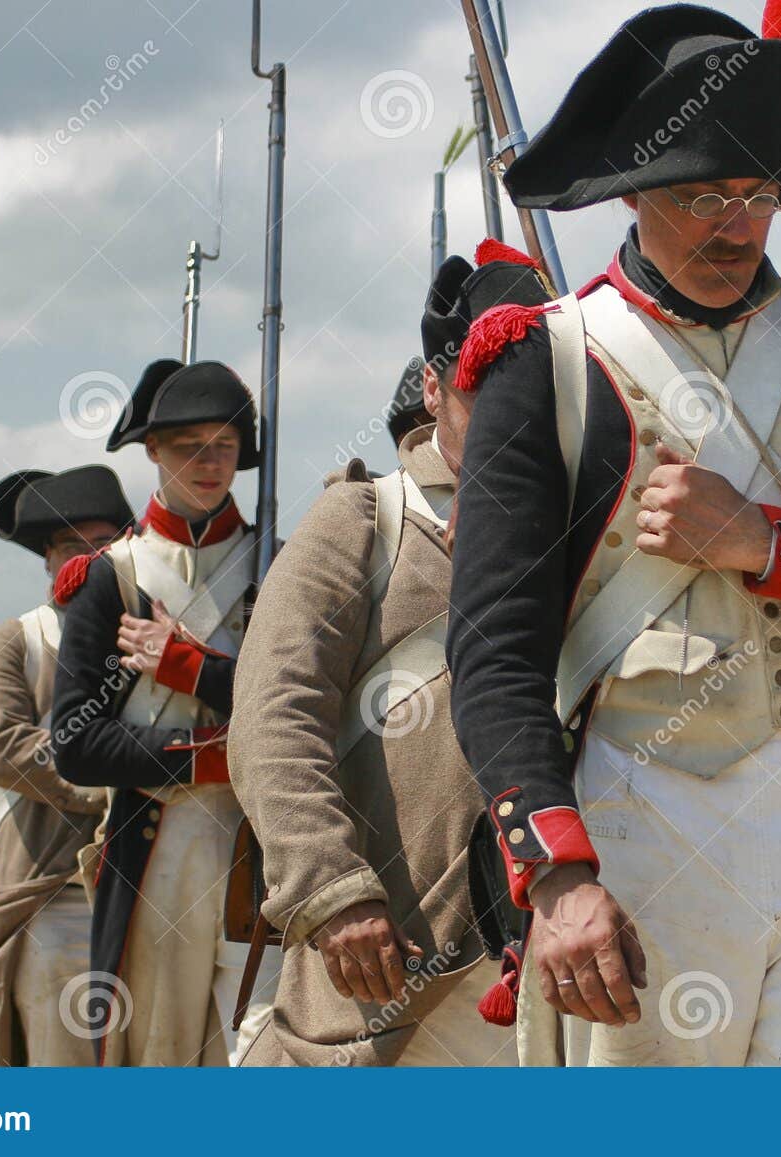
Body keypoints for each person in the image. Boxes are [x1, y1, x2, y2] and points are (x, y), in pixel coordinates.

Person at [446, 2, 781, 1066]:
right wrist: (556, 875)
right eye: (701, 194)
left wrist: (776, 550)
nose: (734, 227)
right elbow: (494, 655)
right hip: (640, 835)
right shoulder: (544, 367)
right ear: (633, 191)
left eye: (757, 196)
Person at [231, 241, 547, 1066]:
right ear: (436, 389)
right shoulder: (365, 519)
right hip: (392, 960)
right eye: (487, 395)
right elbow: (273, 716)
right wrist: (332, 889)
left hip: (560, 952)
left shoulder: (586, 526)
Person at [50, 359, 280, 1066]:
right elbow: (75, 742)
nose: (210, 463)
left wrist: (186, 665)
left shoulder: (278, 565)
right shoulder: (109, 577)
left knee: (265, 1057)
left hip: (260, 847)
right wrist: (204, 754)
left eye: (225, 445)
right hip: (157, 848)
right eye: (189, 446)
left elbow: (295, 704)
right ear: (153, 450)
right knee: (158, 1058)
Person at [0, 465, 133, 1065]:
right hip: (52, 897)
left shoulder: (150, 636)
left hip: (149, 896)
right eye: (69, 547)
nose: (86, 559)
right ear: (46, 559)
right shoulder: (15, 641)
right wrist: (117, 784)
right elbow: (3, 748)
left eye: (102, 546)